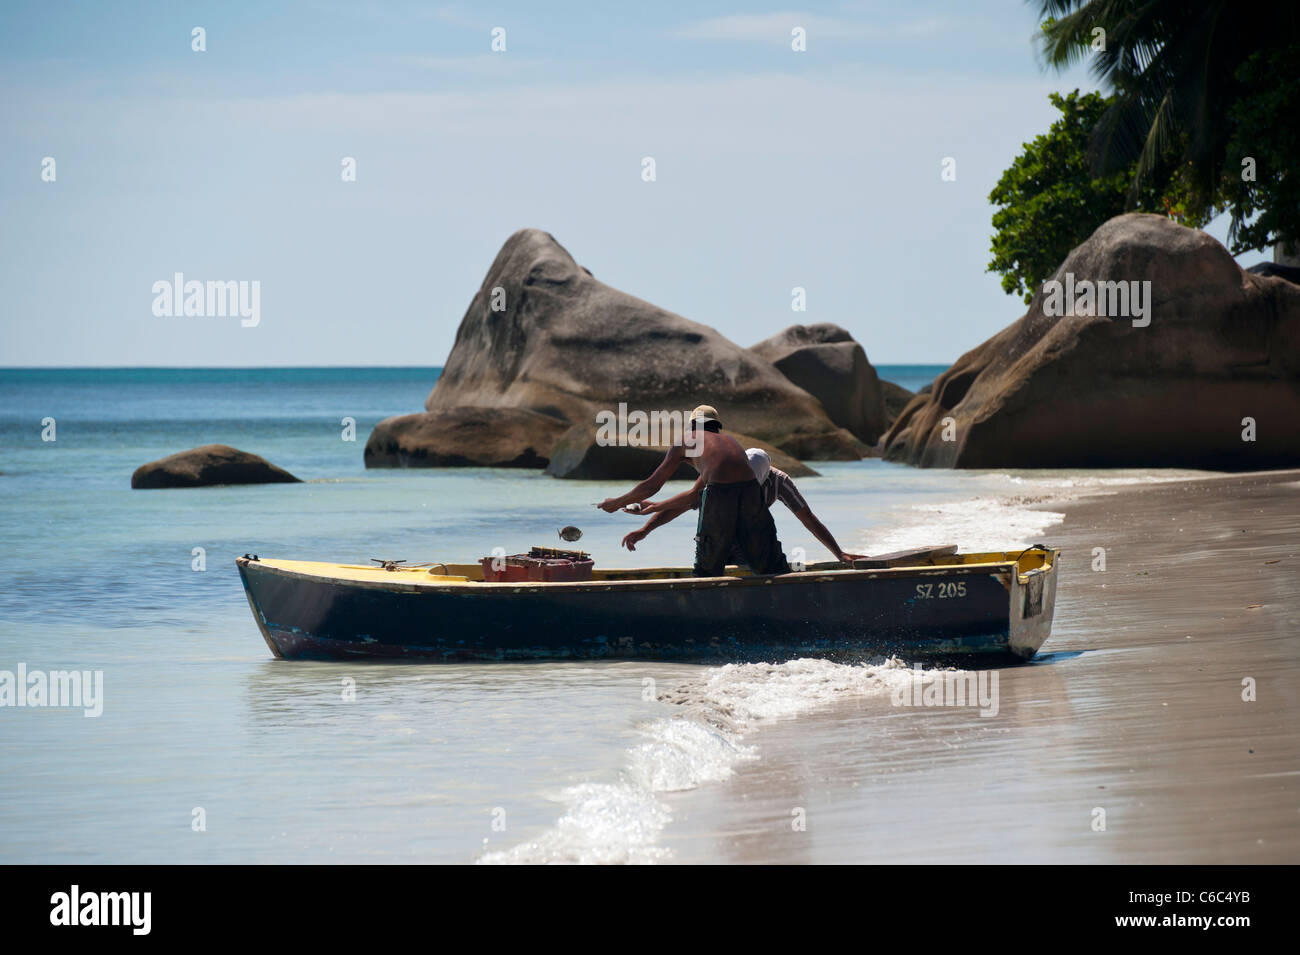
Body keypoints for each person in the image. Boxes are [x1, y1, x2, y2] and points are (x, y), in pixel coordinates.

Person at [598, 405, 790, 577]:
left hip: (720, 493)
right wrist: (650, 518)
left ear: (692, 426)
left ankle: (704, 596)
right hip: (751, 490)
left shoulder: (687, 440)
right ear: (716, 427)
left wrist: (615, 503)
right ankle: (788, 590)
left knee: (708, 566)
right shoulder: (729, 443)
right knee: (770, 560)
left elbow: (651, 486)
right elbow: (692, 496)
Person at [621, 448, 870, 566]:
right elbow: (685, 503)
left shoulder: (779, 481)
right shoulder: (721, 472)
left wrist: (839, 553)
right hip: (716, 537)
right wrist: (645, 530)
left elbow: (807, 518)